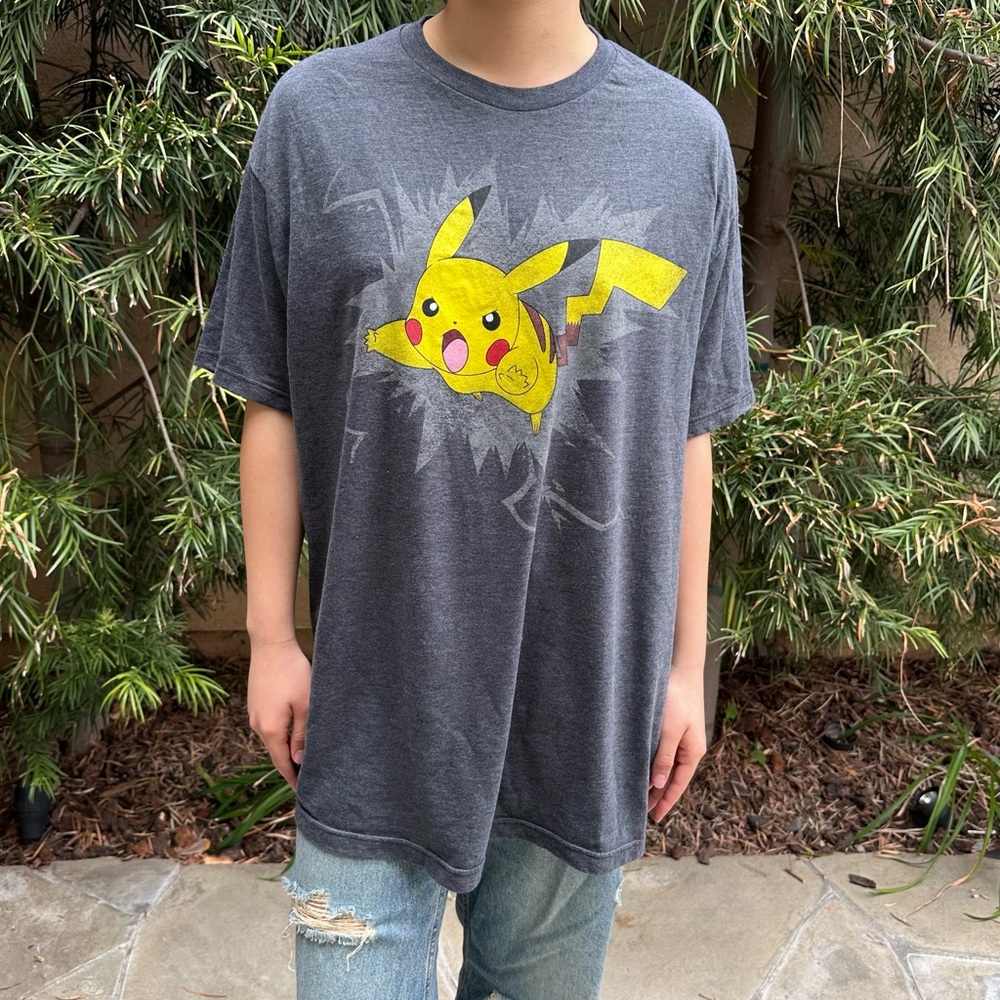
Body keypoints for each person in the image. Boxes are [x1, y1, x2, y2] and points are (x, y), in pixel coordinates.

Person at [192, 0, 755, 996]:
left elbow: (687, 426)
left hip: (583, 706)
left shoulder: (683, 141)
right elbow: (270, 394)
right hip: (373, 703)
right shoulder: (318, 115)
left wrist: (683, 667)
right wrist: (271, 638)